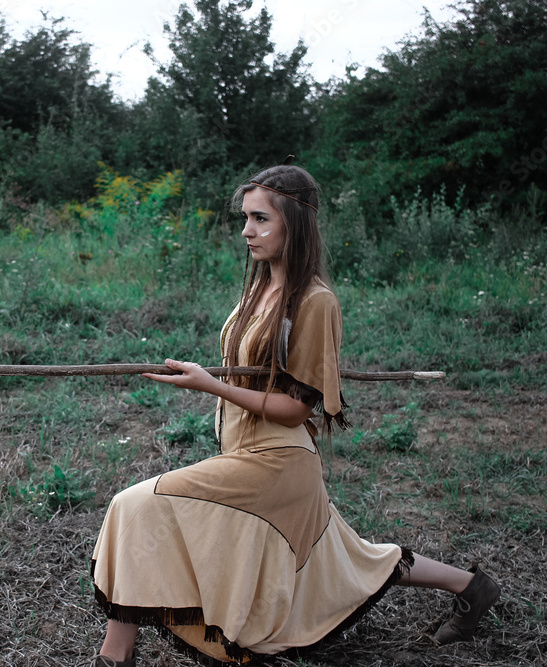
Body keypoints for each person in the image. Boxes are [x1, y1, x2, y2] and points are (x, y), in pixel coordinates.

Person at [88, 162, 500, 666]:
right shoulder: (260, 287)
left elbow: (293, 409)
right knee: (350, 563)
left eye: (260, 219)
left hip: (277, 461)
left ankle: (115, 656)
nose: (246, 231)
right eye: (245, 218)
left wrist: (210, 385)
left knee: (135, 506)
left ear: (295, 223)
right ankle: (474, 587)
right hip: (247, 453)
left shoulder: (316, 301)